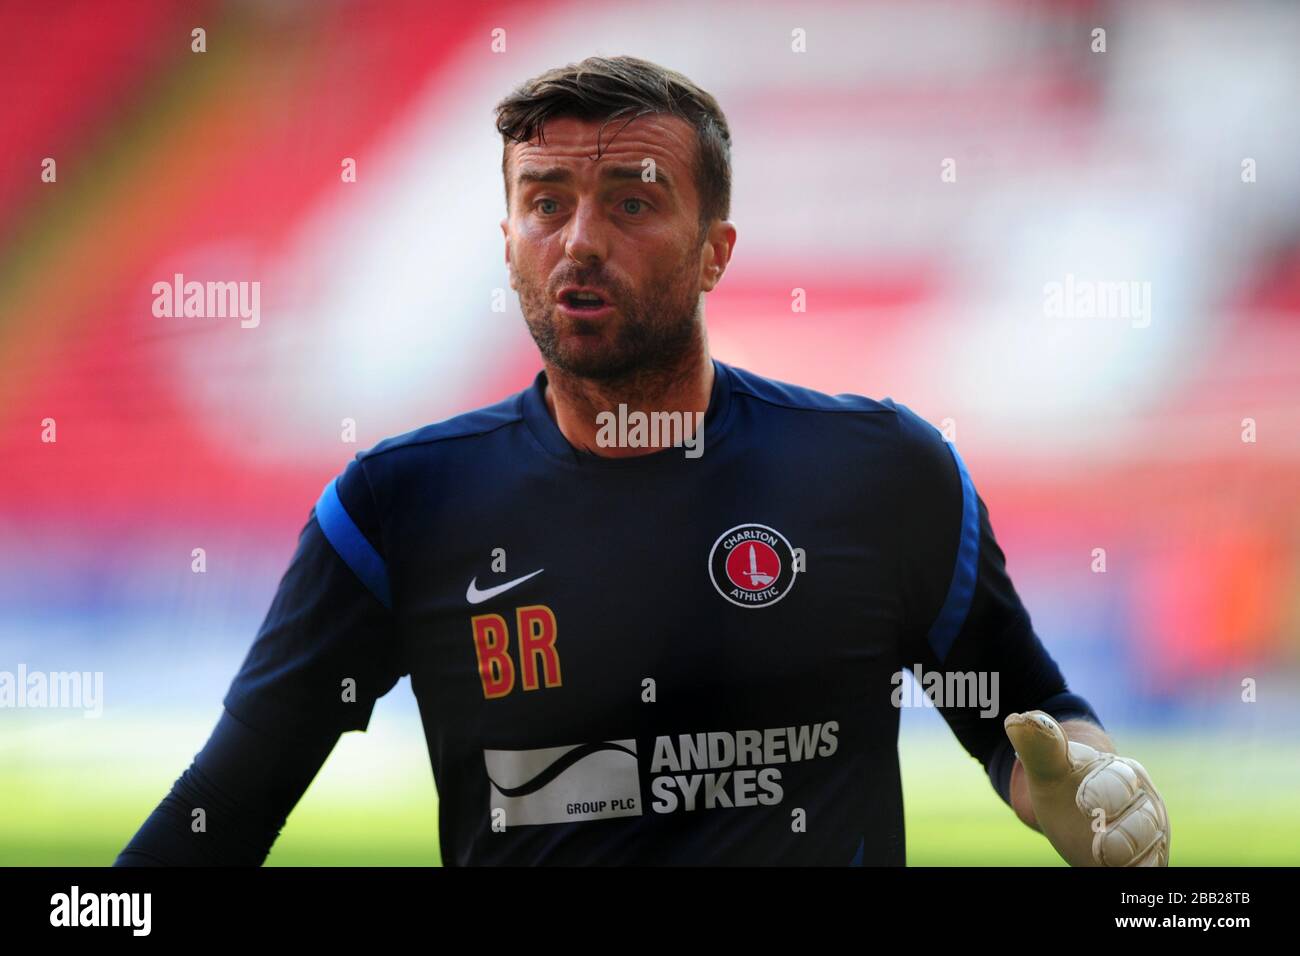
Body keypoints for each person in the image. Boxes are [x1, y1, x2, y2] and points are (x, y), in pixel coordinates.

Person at [116, 55, 1168, 866]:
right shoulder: (397, 504)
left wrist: (1083, 792)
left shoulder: (884, 470)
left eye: (630, 200)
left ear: (716, 247)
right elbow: (222, 808)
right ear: (507, 239)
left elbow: (1024, 722)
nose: (577, 239)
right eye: (544, 202)